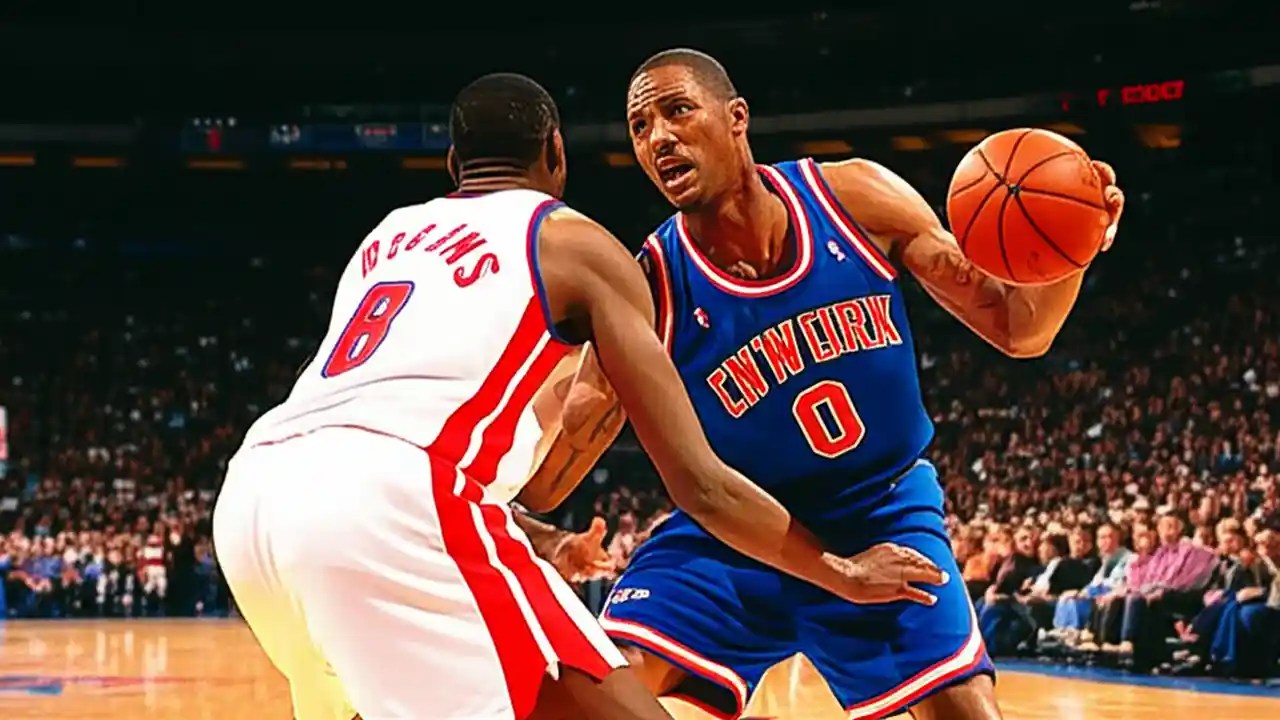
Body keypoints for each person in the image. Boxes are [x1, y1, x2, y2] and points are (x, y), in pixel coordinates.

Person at [211, 72, 943, 720]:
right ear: (556, 156)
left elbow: (370, 441)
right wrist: (842, 571)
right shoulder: (576, 243)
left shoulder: (385, 238)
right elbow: (700, 486)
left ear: (451, 167)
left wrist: (547, 539)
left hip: (253, 502)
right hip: (392, 504)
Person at [538, 49, 1124, 719]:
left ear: (737, 118)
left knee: (968, 712)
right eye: (641, 127)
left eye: (677, 110)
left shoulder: (852, 198)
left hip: (879, 510)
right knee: (586, 694)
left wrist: (1074, 243)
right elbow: (553, 461)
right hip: (735, 533)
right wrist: (537, 523)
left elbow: (1022, 330)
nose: (659, 137)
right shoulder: (645, 285)